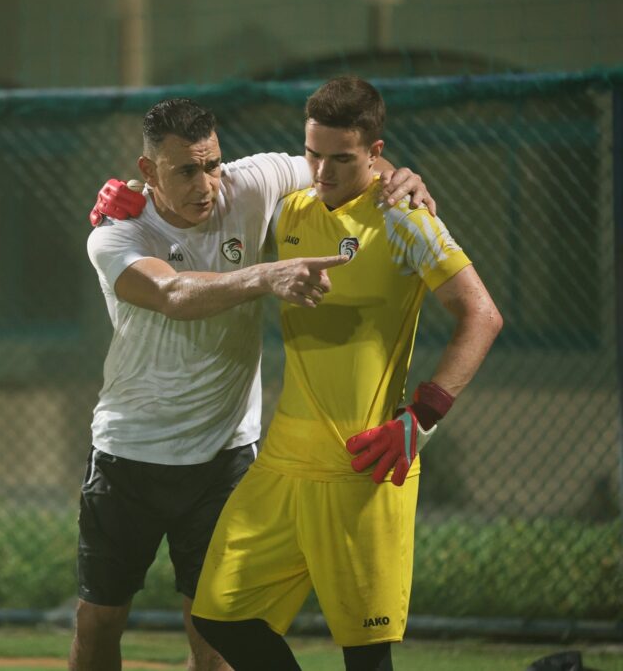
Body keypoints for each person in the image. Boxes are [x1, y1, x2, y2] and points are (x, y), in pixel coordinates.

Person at [73, 98, 435, 671]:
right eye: (186, 171)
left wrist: (399, 178)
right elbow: (172, 295)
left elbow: (345, 163)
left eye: (213, 164)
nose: (206, 183)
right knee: (98, 623)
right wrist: (268, 275)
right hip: (129, 453)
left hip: (224, 457)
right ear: (148, 173)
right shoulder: (117, 234)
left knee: (215, 630)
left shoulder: (253, 180)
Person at [189, 77, 503, 671]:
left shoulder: (405, 218)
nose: (323, 170)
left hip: (364, 464)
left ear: (376, 154)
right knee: (217, 616)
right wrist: (131, 192)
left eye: (342, 158)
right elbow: (194, 198)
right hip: (282, 463)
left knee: (365, 660)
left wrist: (422, 419)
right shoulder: (286, 212)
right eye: (313, 153)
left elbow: (482, 316)